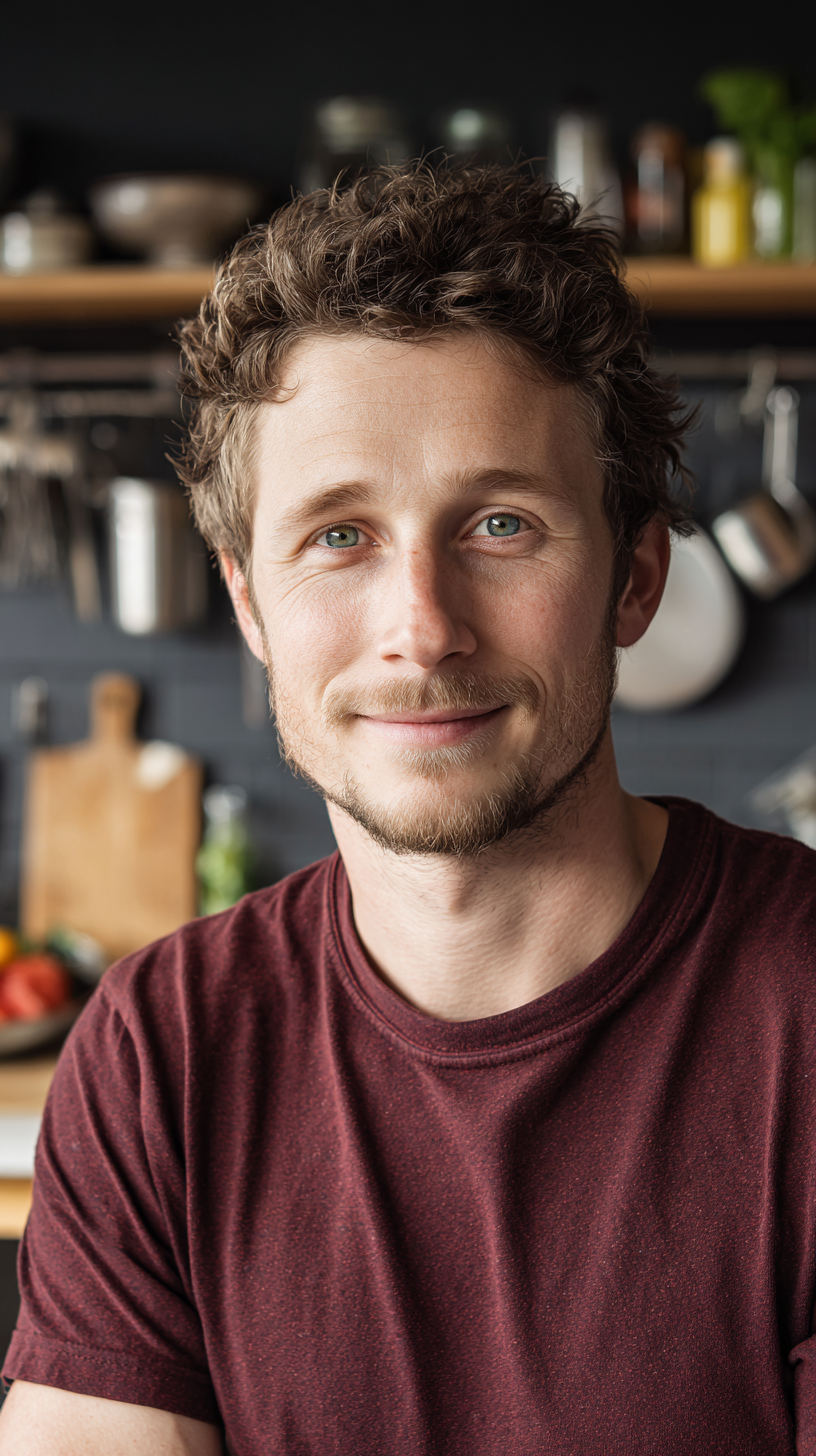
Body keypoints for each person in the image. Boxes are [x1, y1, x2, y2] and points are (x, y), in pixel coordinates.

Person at [1, 164, 814, 1456]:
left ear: (635, 578)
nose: (423, 629)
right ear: (251, 604)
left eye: (499, 523)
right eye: (338, 535)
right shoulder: (157, 1057)